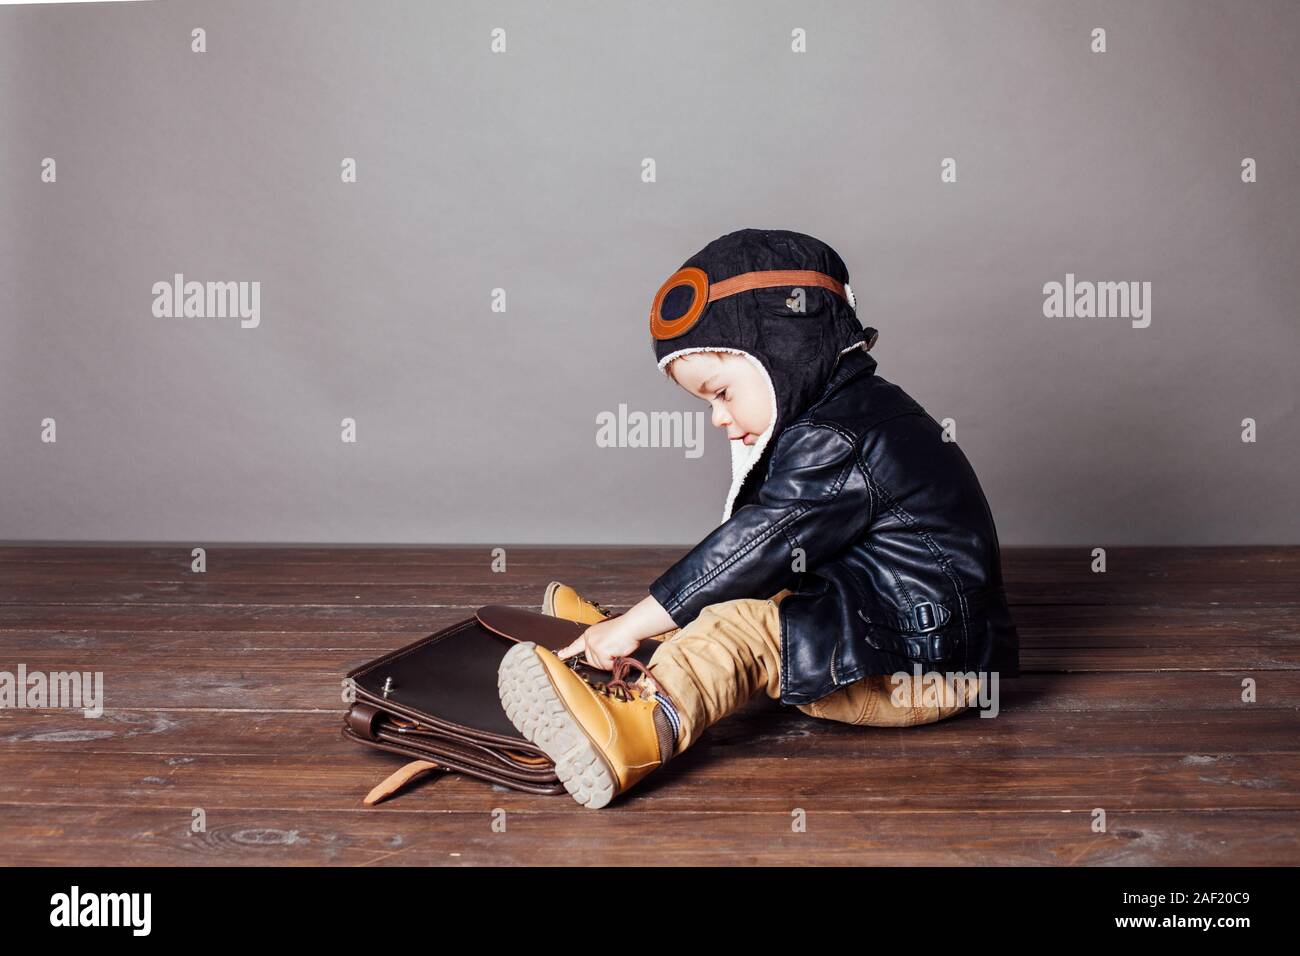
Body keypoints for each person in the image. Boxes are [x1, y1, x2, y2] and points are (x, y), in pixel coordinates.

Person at [497, 228, 1019, 809]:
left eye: (722, 392)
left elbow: (758, 543)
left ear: (783, 356)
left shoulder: (837, 436)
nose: (719, 418)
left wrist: (639, 621)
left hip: (925, 672)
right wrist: (651, 617)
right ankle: (640, 649)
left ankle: (637, 727)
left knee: (741, 628)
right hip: (904, 635)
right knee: (746, 598)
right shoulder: (851, 410)